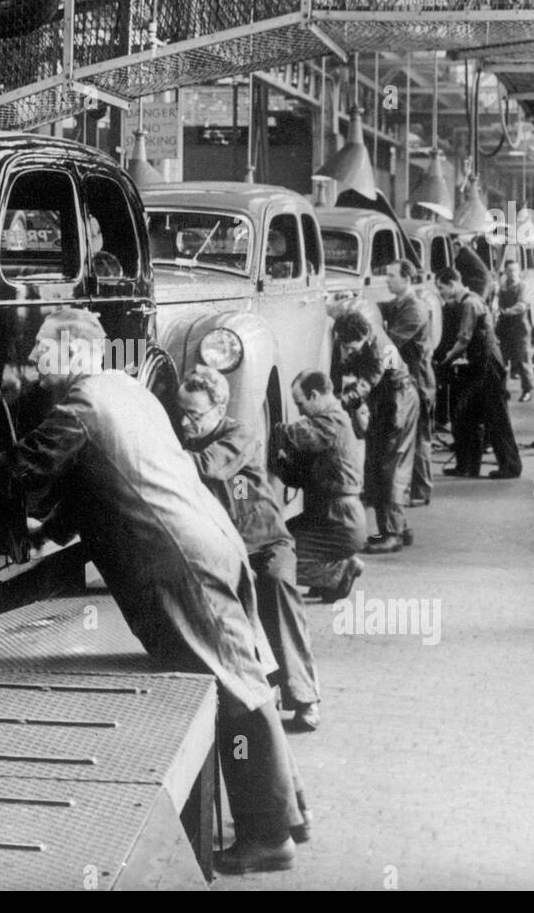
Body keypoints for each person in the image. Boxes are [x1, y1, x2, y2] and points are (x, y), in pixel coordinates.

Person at [0, 308, 306, 872]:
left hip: (180, 560)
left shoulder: (80, 406)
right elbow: (109, 474)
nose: (34, 360)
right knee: (246, 672)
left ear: (73, 353)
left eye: (43, 349)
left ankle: (269, 836)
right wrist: (57, 530)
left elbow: (19, 472)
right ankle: (288, 814)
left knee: (236, 689)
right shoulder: (128, 392)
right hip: (211, 542)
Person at [176, 365, 322, 733]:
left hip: (267, 544)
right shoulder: (187, 444)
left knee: (277, 586)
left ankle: (304, 696)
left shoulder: (239, 434)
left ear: (219, 410)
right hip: (227, 551)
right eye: (180, 413)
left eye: (193, 415)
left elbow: (211, 467)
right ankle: (255, 695)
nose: (184, 423)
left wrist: (160, 456)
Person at [273, 370, 367, 601]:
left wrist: (261, 430)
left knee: (275, 562)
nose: (300, 411)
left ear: (314, 395)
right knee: (277, 545)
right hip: (332, 516)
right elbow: (297, 476)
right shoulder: (329, 423)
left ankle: (338, 571)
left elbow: (291, 435)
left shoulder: (331, 421)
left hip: (337, 520)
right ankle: (330, 576)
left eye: (300, 403)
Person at [332, 309, 419, 552]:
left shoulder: (380, 349)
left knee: (390, 466)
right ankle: (399, 527)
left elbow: (366, 383)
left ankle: (392, 534)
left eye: (351, 347)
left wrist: (337, 404)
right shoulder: (366, 333)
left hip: (399, 401)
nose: (348, 352)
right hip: (390, 399)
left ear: (364, 335)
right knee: (380, 463)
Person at [435, 268, 522, 479]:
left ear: (453, 283)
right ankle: (467, 465)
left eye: (441, 287)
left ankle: (510, 466)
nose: (440, 292)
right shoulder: (468, 301)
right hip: (480, 365)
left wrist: (445, 359)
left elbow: (464, 339)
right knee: (466, 415)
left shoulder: (469, 304)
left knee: (496, 417)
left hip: (488, 365)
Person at [380, 259, 436, 506]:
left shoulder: (414, 308)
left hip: (418, 379)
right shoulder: (401, 303)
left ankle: (421, 491)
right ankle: (414, 489)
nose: (387, 279)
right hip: (411, 377)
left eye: (392, 276)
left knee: (420, 436)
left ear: (406, 279)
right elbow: (383, 307)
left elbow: (391, 344)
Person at [496, 258, 534, 403]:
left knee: (523, 361)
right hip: (504, 329)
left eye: (515, 270)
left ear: (519, 271)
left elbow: (522, 305)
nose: (512, 273)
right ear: (505, 272)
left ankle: (527, 391)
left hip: (520, 329)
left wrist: (505, 311)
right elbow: (497, 304)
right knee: (501, 362)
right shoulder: (502, 288)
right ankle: (502, 390)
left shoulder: (523, 286)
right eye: (509, 270)